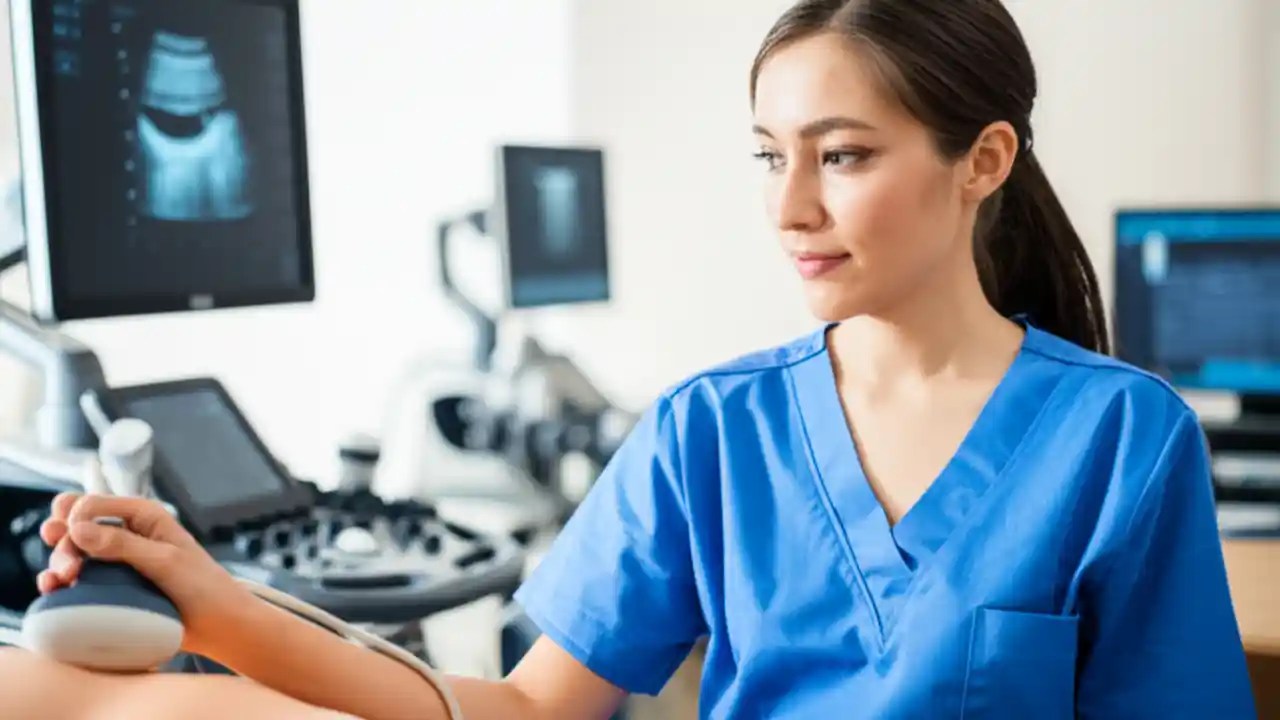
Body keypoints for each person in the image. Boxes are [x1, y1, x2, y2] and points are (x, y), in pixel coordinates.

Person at [0, 0, 1257, 717]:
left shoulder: (1116, 439)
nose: (789, 207)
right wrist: (217, 603)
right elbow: (528, 712)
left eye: (844, 154)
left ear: (980, 162)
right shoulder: (712, 430)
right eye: (769, 155)